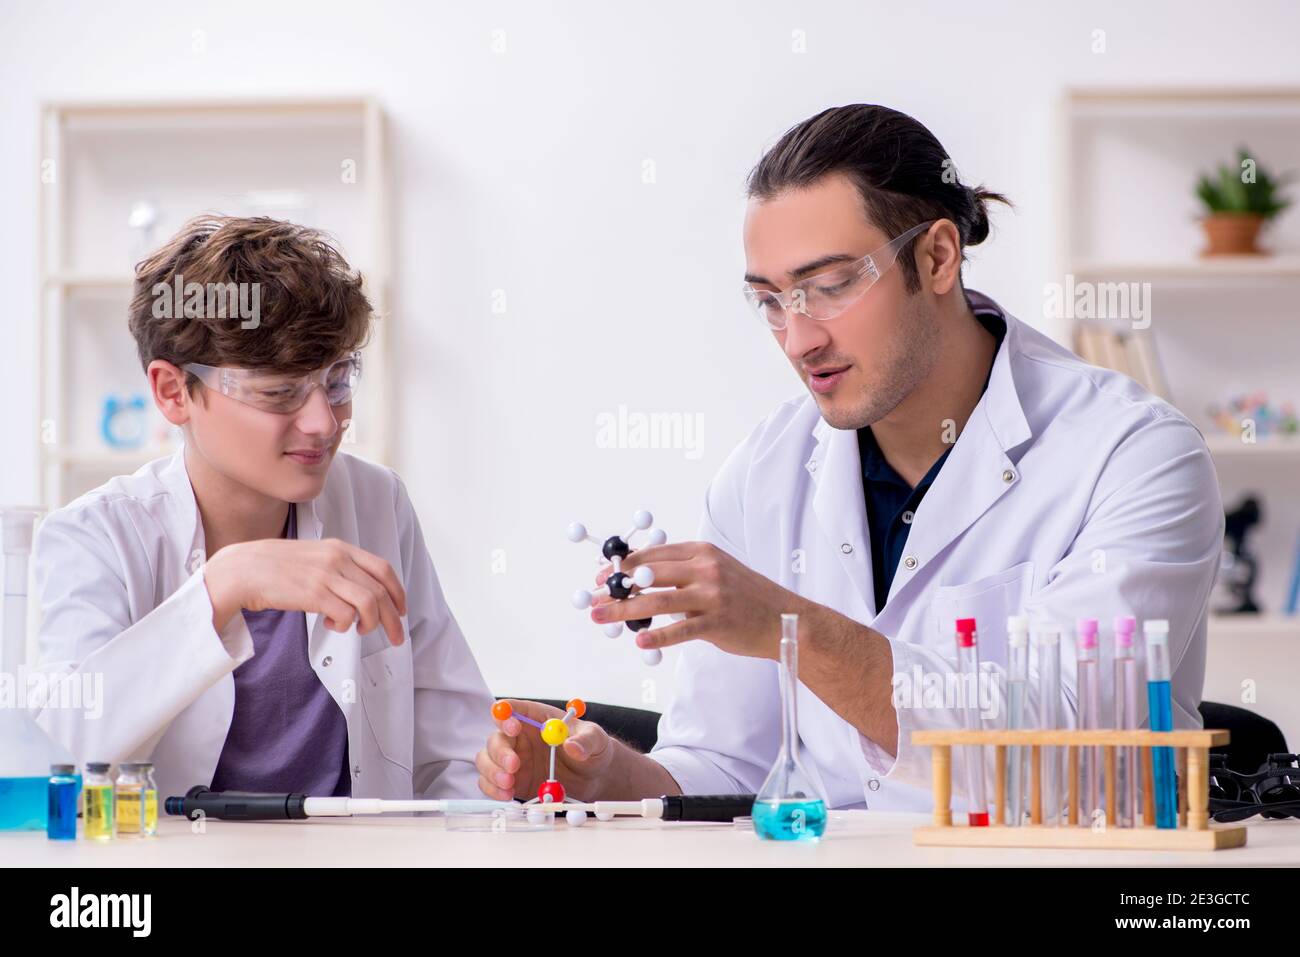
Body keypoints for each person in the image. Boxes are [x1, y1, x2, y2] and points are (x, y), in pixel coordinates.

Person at [477, 105, 1222, 812]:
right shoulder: (762, 475)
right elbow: (730, 770)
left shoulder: (1132, 456)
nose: (798, 339)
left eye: (828, 288)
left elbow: (1078, 759)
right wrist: (607, 774)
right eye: (770, 300)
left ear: (936, 256)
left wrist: (790, 626)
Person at [31, 215, 494, 802]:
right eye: (279, 393)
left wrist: (494, 789)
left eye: (337, 380)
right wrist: (225, 585)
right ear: (174, 392)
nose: (324, 422)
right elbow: (61, 759)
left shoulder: (377, 502)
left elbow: (453, 751)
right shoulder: (94, 537)